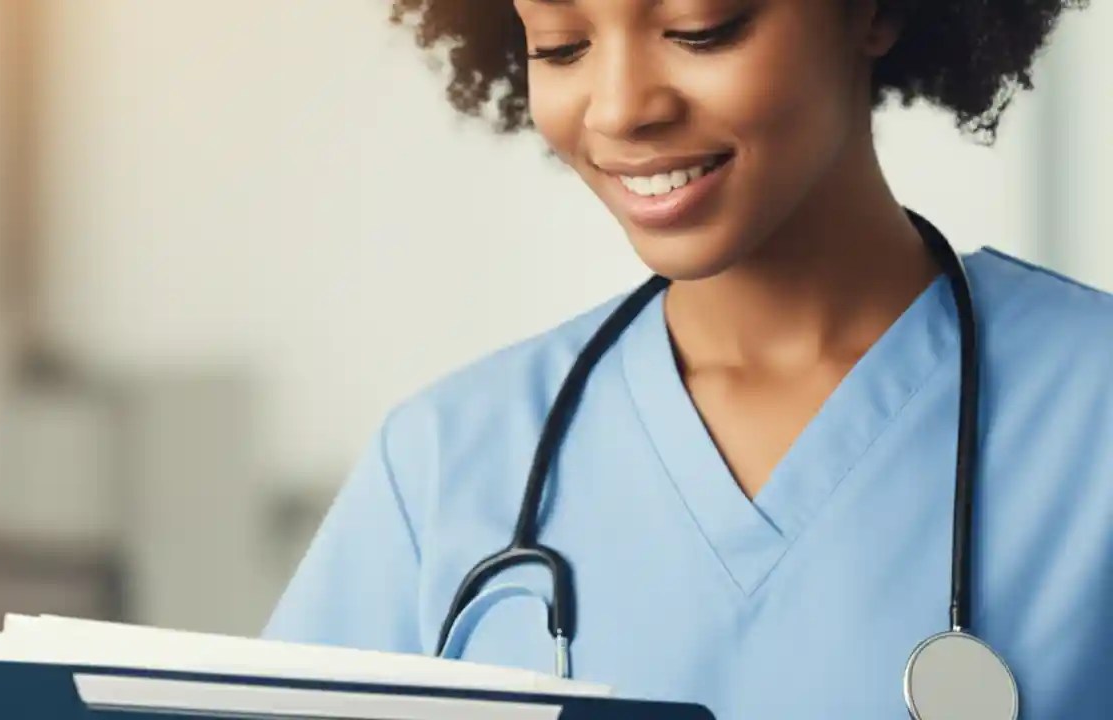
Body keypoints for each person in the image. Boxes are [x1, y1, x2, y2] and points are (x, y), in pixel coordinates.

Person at [263, 0, 1110, 717]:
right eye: (561, 46)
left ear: (873, 12)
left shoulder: (1090, 408)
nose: (620, 109)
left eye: (700, 30)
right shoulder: (444, 462)